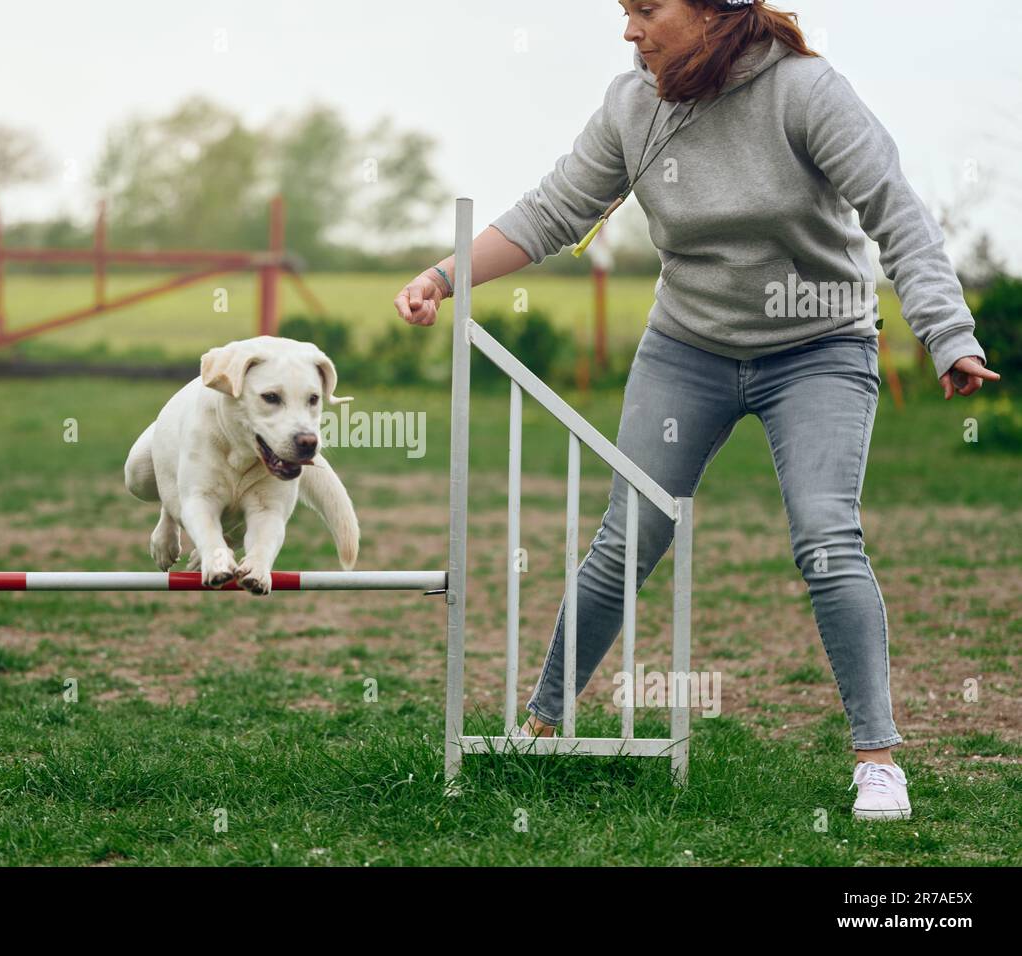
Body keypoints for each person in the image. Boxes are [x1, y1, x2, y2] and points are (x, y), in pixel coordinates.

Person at [392, 0, 1001, 821]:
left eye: (647, 10)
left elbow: (896, 213)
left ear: (715, 13)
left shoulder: (807, 93)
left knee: (826, 534)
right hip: (689, 349)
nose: (630, 30)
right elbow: (553, 210)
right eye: (625, 12)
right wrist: (441, 275)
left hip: (819, 347)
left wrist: (946, 331)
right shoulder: (631, 105)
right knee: (628, 536)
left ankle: (877, 759)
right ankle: (540, 724)